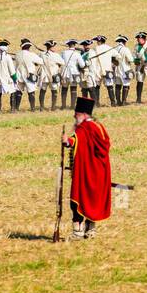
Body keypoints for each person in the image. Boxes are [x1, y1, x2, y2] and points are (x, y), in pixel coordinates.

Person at [64, 95, 111, 240]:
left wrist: (67, 141)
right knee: (94, 199)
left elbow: (77, 140)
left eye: (76, 114)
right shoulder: (100, 127)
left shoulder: (85, 128)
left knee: (77, 199)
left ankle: (78, 231)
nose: (74, 116)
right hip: (100, 172)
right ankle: (91, 229)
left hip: (86, 171)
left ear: (84, 114)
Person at [16, 38, 42, 111]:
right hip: (29, 76)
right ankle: (33, 109)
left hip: (19, 75)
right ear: (29, 47)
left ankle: (16, 108)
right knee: (31, 92)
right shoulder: (31, 54)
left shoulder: (17, 54)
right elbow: (41, 62)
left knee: (18, 92)